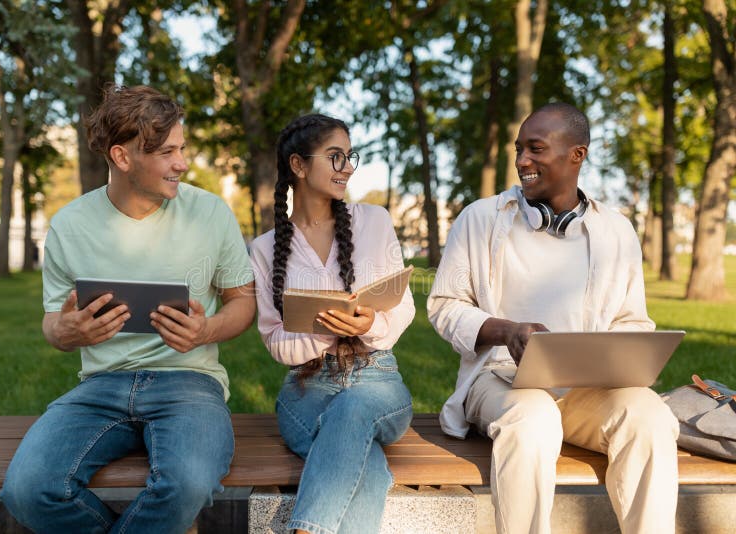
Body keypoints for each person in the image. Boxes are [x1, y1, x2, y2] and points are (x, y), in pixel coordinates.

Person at [0, 85, 256, 533]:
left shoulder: (211, 213)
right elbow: (52, 324)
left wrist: (206, 330)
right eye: (167, 152)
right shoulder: (70, 225)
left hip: (189, 384)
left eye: (183, 149)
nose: (183, 163)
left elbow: (243, 301)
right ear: (122, 157)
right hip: (100, 388)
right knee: (26, 489)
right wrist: (68, 332)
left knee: (188, 484)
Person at [428, 102, 679, 534]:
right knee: (533, 420)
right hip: (500, 380)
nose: (523, 160)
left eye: (536, 149)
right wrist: (508, 331)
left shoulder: (617, 230)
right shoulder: (481, 218)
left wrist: (624, 356)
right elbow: (445, 305)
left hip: (588, 389)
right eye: (519, 149)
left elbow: (632, 321)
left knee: (651, 417)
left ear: (576, 155)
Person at [250, 113, 415, 534]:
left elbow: (404, 308)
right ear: (298, 165)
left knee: (354, 407)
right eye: (334, 157)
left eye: (349, 157)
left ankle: (304, 530)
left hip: (377, 381)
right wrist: (328, 327)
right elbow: (274, 340)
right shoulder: (266, 249)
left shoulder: (373, 222)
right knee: (368, 467)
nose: (346, 168)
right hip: (306, 390)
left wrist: (369, 323)